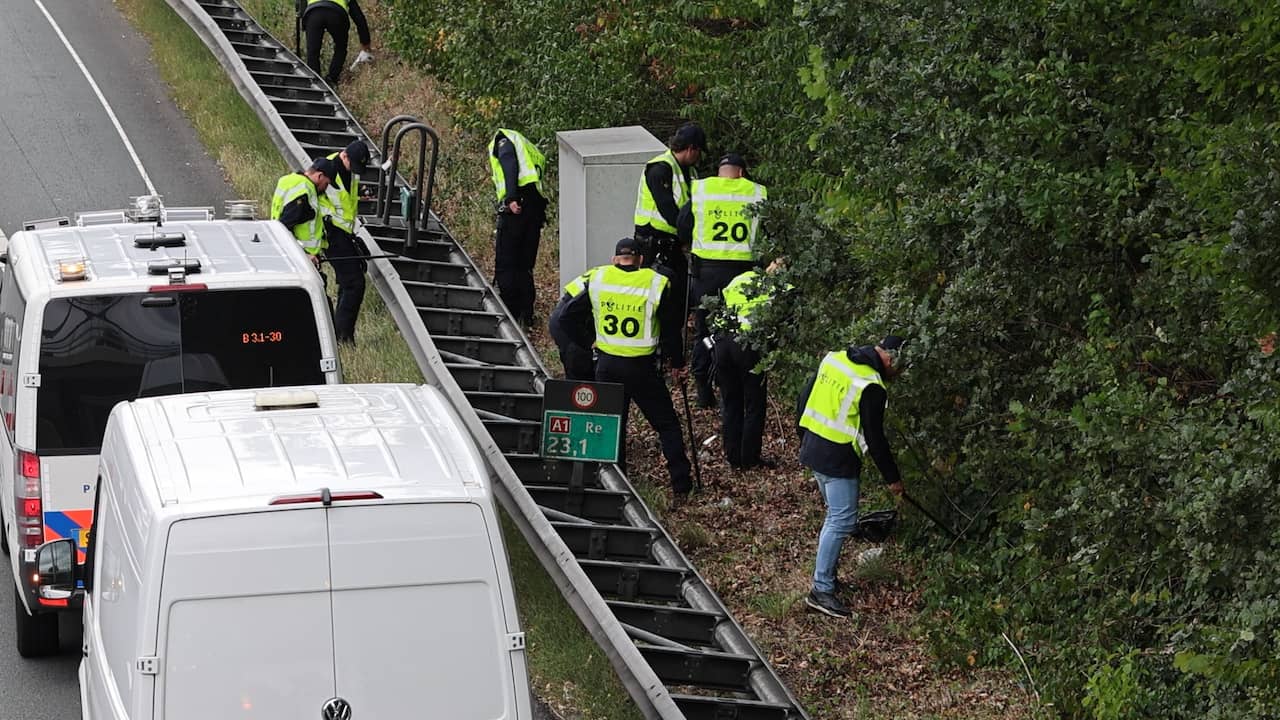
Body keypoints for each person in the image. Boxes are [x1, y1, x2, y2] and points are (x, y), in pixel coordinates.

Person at [558, 238, 692, 496]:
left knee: (612, 427)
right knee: (667, 425)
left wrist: (591, 342)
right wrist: (677, 363)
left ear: (615, 259)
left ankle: (615, 487)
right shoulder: (655, 283)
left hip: (607, 366)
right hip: (641, 368)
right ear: (641, 260)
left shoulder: (599, 279)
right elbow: (670, 331)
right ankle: (681, 485)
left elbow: (566, 317)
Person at [797, 335, 906, 618]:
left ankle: (828, 579)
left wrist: (803, 437)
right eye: (900, 368)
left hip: (813, 446)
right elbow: (875, 438)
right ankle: (821, 589)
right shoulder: (871, 385)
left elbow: (804, 396)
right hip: (837, 458)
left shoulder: (835, 358)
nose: (898, 374)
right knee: (841, 521)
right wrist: (893, 479)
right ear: (891, 359)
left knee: (835, 518)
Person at [678, 152, 767, 407]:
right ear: (741, 172)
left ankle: (704, 390)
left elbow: (682, 224)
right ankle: (734, 387)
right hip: (742, 275)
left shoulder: (704, 189)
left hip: (707, 273)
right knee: (738, 329)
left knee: (705, 331)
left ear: (720, 171)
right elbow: (768, 231)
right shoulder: (756, 192)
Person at [712, 259, 783, 469]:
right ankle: (749, 458)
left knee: (731, 401)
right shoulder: (781, 287)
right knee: (754, 404)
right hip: (748, 345)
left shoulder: (739, 279)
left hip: (724, 341)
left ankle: (733, 456)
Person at [633, 123, 706, 322]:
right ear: (691, 148)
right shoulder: (660, 169)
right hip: (654, 244)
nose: (699, 158)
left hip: (674, 245)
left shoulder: (689, 172)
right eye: (699, 151)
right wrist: (690, 238)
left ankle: (671, 341)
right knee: (658, 300)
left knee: (678, 300)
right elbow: (668, 210)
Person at [489, 129, 548, 328]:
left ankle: (510, 313)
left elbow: (509, 163)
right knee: (525, 265)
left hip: (518, 208)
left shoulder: (503, 140)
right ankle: (526, 314)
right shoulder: (529, 147)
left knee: (507, 262)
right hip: (535, 209)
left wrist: (511, 198)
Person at [318, 140, 371, 343]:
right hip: (330, 233)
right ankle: (343, 338)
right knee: (354, 283)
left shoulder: (349, 170)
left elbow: (345, 197)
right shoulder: (328, 168)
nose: (355, 170)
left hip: (343, 232)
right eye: (354, 164)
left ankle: (339, 334)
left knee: (349, 281)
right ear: (345, 155)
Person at [270, 158, 333, 264]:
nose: (325, 188)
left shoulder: (289, 180)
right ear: (320, 176)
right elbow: (284, 226)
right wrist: (304, 256)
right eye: (326, 184)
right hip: (299, 258)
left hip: (287, 252)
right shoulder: (304, 191)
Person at [302, 0, 372, 86]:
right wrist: (365, 43)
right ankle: (331, 79)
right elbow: (359, 18)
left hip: (313, 13)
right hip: (336, 14)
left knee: (312, 51)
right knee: (341, 47)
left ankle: (314, 82)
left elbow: (300, 8)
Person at [547, 269, 595, 380]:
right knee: (580, 368)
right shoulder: (610, 280)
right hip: (569, 322)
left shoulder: (601, 272)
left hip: (564, 315)